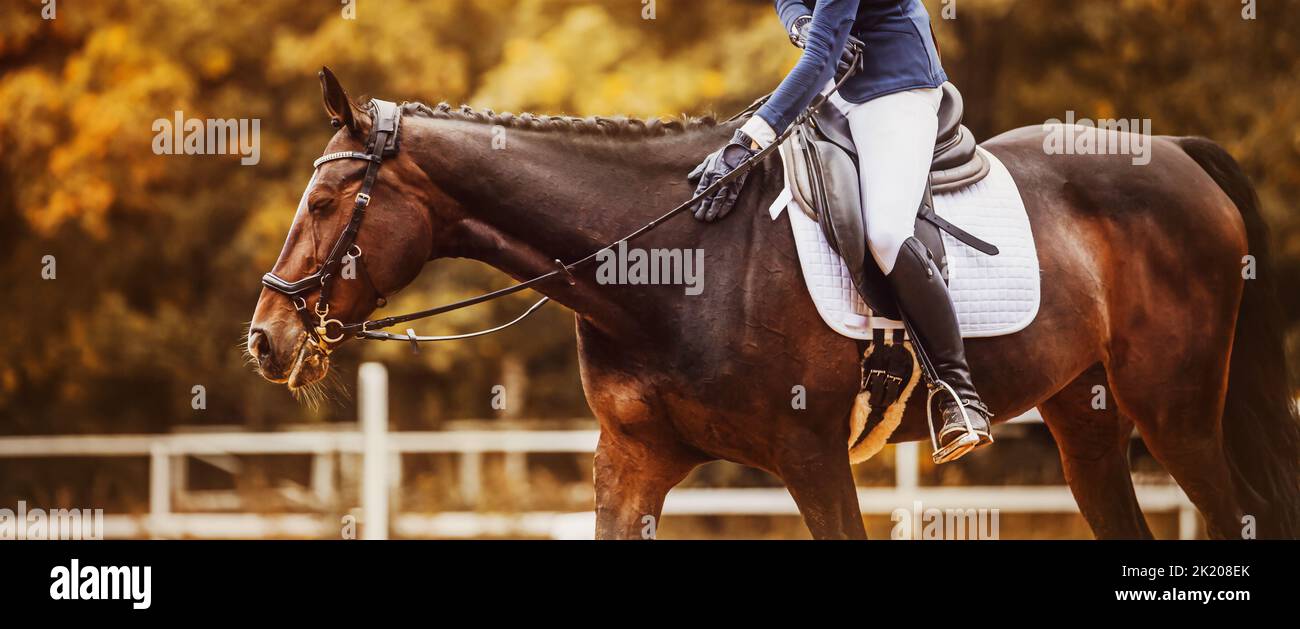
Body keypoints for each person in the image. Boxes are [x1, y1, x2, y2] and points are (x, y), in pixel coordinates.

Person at [688, 0, 992, 463]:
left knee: (887, 232)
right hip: (834, 87)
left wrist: (748, 142)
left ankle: (957, 391)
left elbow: (820, 55)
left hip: (895, 85)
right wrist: (801, 21)